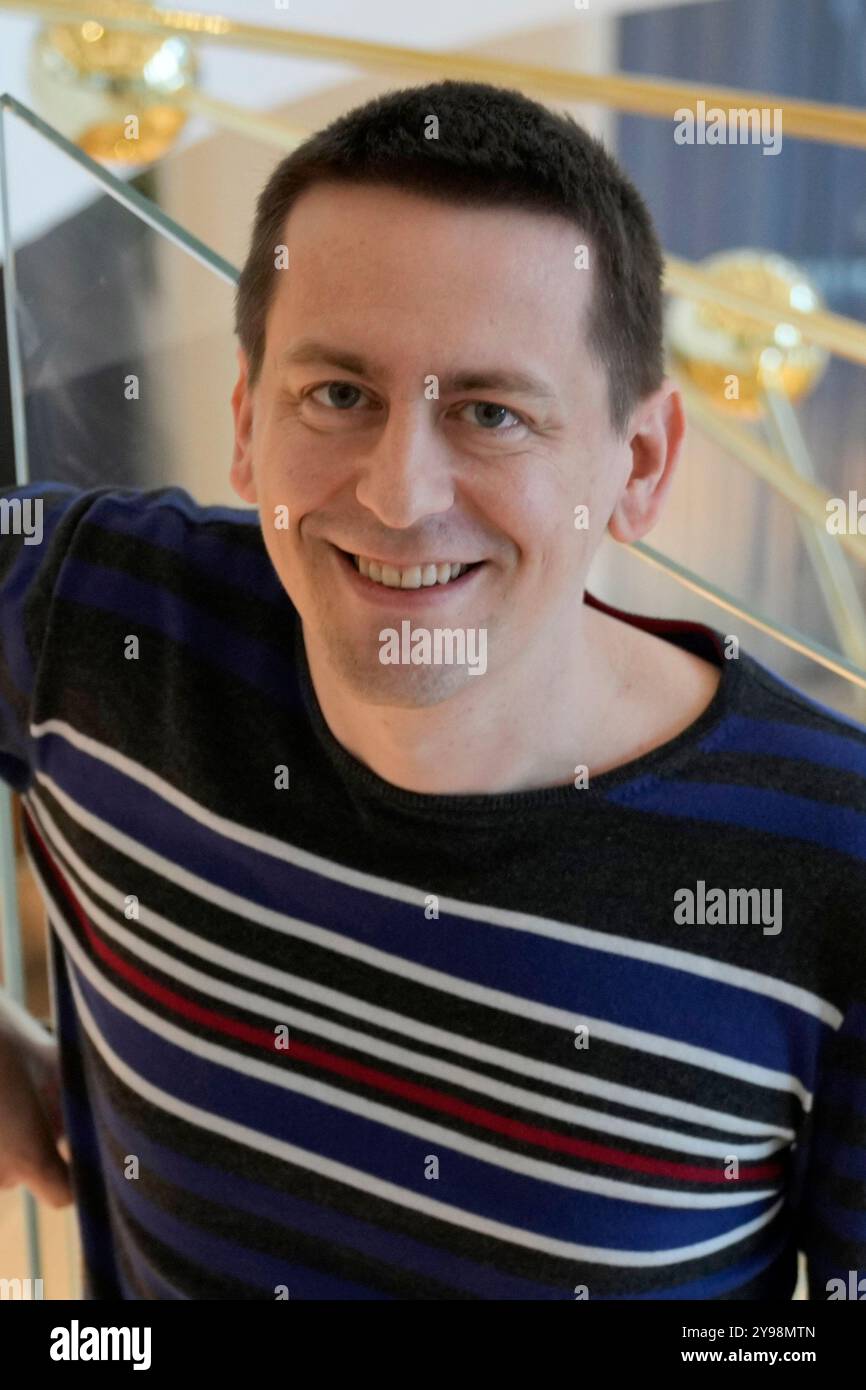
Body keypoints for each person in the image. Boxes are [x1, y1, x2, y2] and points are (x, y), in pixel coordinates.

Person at [1, 79, 864, 1301]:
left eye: (490, 412)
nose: (400, 494)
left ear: (640, 463)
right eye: (338, 395)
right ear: (247, 421)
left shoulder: (834, 866)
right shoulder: (100, 611)